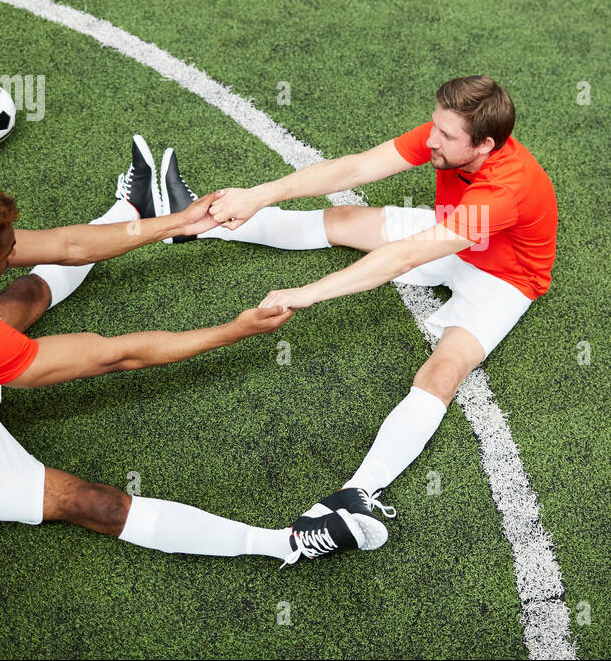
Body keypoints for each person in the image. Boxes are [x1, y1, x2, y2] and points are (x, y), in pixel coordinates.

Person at [0, 137, 390, 564]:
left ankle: (133, 205)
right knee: (93, 504)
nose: (16, 249)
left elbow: (65, 245)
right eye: (6, 249)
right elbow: (114, 356)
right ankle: (285, 544)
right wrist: (235, 329)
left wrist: (176, 222)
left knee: (27, 293)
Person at [163, 76, 558, 563]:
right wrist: (258, 194)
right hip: (455, 233)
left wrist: (309, 293)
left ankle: (356, 494)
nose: (431, 139)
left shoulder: (504, 192)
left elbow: (404, 257)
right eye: (434, 125)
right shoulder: (448, 137)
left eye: (445, 135)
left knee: (443, 371)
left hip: (504, 278)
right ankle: (192, 222)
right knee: (345, 219)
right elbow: (354, 168)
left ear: (484, 146)